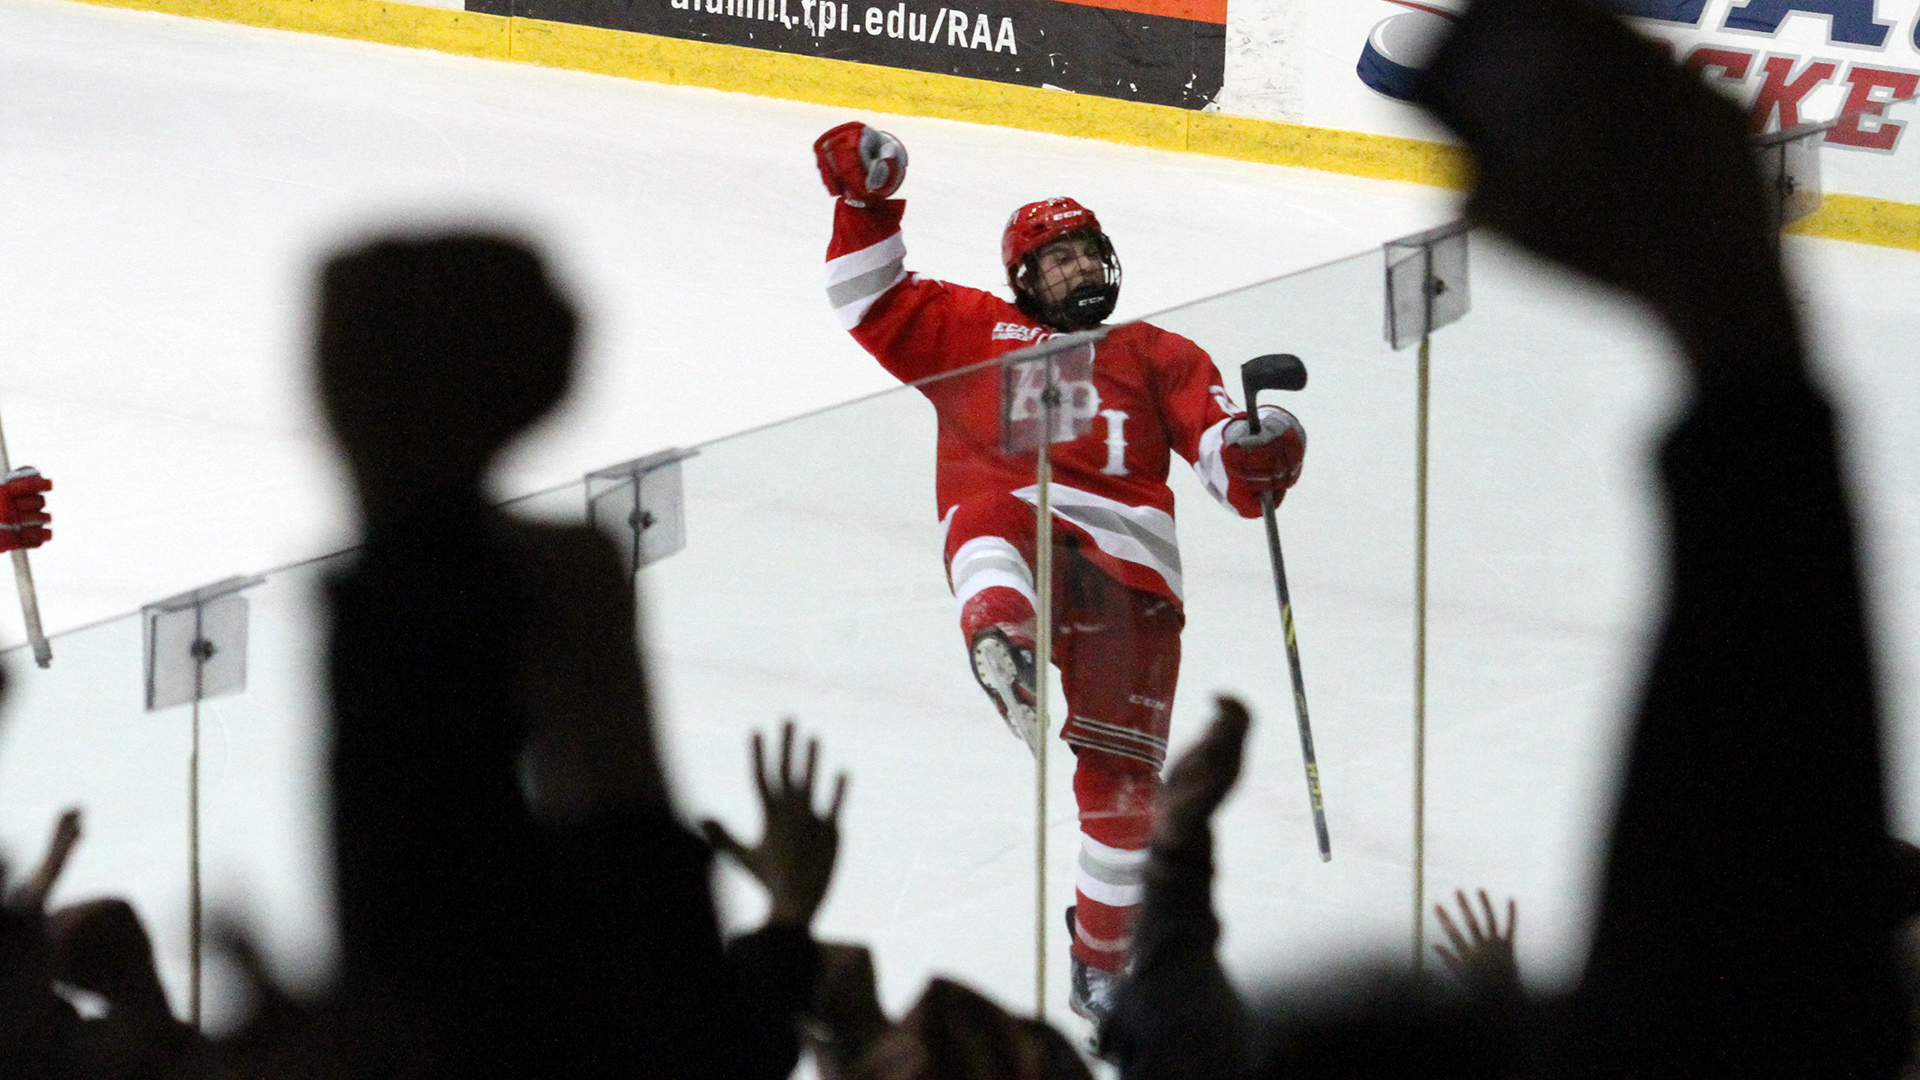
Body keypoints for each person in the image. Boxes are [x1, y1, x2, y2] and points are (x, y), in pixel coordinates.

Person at [814, 120, 1308, 1024]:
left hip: (1134, 586)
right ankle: (1001, 634)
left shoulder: (1159, 353)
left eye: (1087, 252)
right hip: (1029, 530)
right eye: (1058, 258)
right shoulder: (973, 328)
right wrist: (864, 198)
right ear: (1024, 278)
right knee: (992, 517)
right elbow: (866, 300)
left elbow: (1230, 469)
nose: (1079, 268)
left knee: (1124, 796)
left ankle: (1103, 965)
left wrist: (1263, 447)